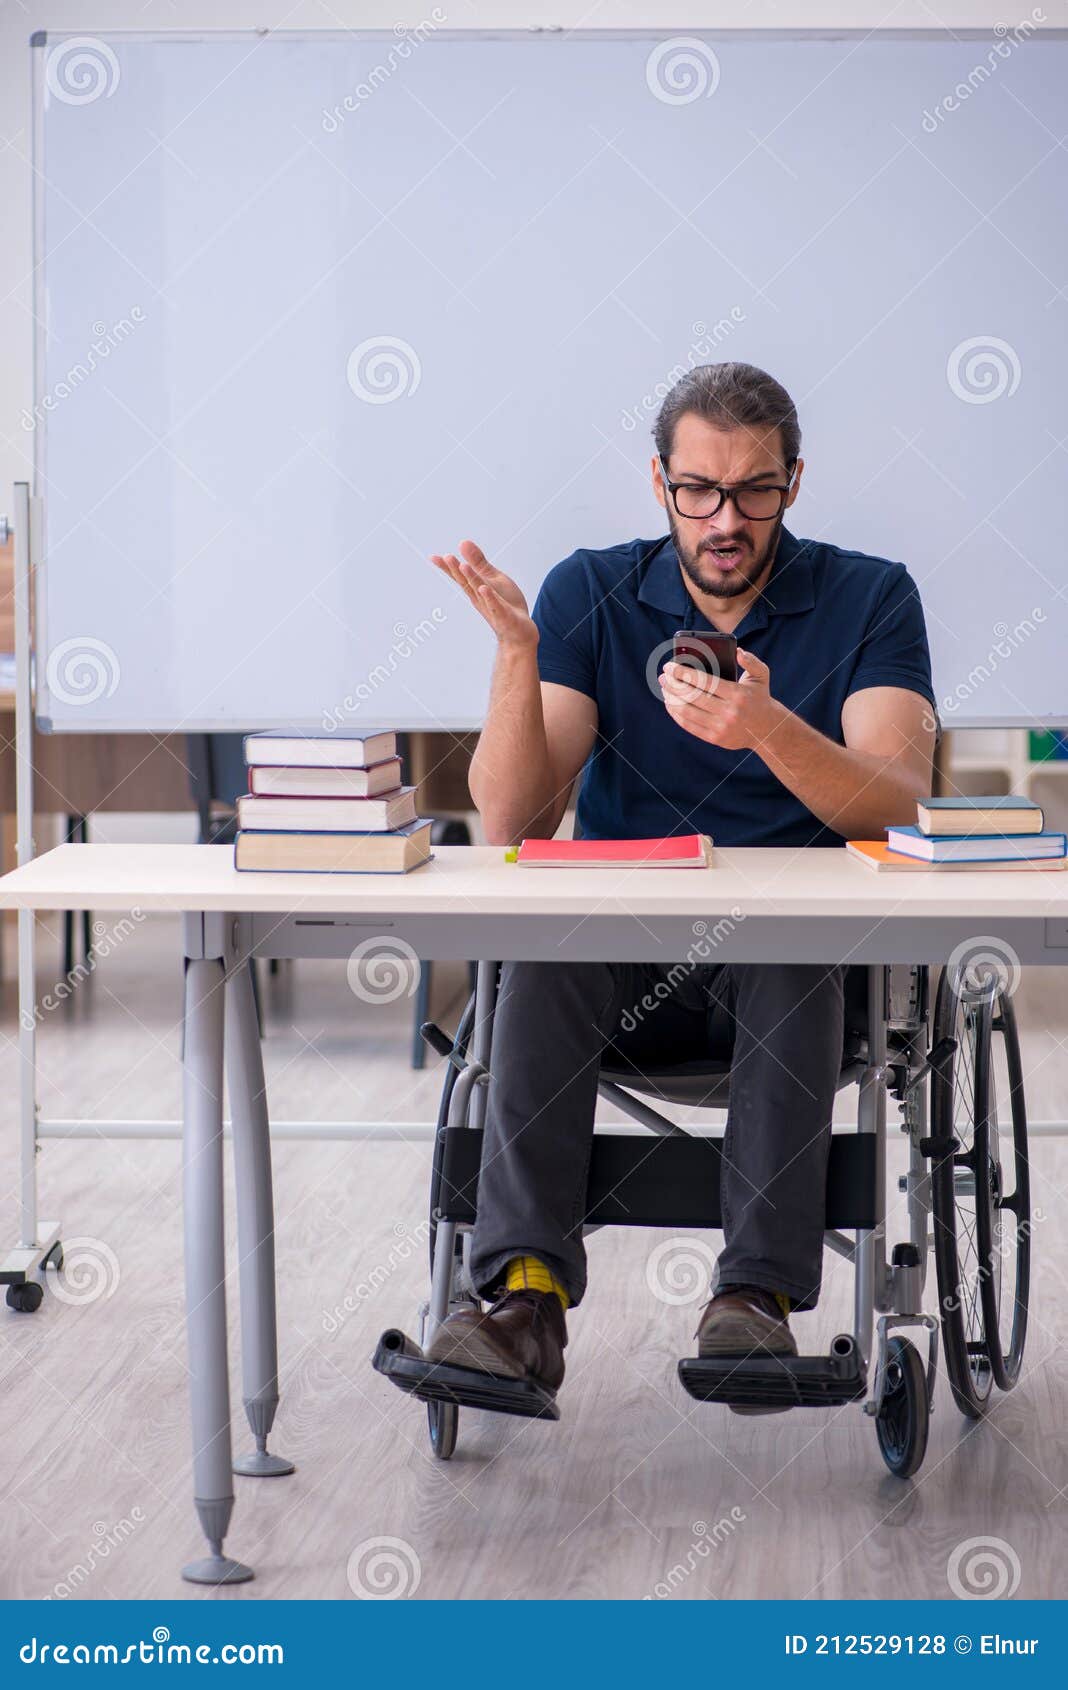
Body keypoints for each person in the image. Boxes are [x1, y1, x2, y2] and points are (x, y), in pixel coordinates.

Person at [426, 361, 936, 1413]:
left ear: (795, 483)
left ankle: (752, 1299)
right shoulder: (592, 590)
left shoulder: (870, 595)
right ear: (661, 483)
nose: (725, 518)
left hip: (789, 982)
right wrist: (519, 656)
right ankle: (522, 1307)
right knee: (539, 953)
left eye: (754, 489)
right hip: (620, 970)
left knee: (790, 947)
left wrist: (767, 727)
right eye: (698, 489)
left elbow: (897, 801)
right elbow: (514, 820)